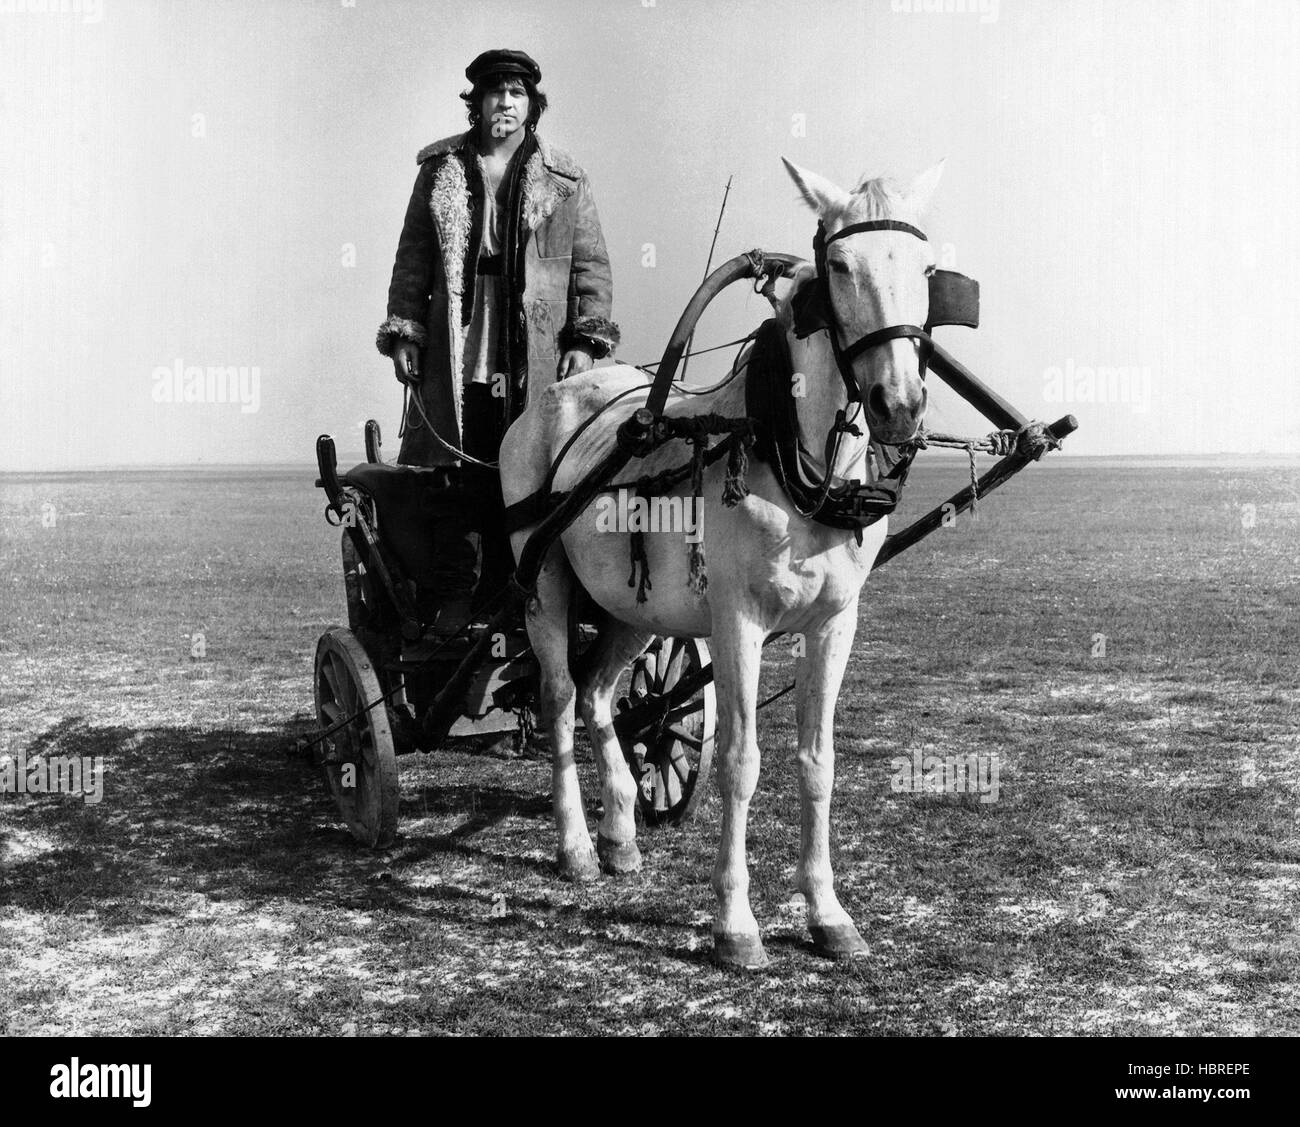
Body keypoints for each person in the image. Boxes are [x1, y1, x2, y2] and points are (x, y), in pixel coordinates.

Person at [376, 48, 618, 635]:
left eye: (515, 94)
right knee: (459, 469)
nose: (504, 104)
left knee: (535, 469)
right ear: (476, 104)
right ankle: (459, 596)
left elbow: (591, 269)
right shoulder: (441, 171)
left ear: (532, 104)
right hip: (460, 339)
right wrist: (405, 329)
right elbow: (412, 261)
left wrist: (584, 339)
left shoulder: (565, 180)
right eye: (494, 93)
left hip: (537, 351)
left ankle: (536, 596)